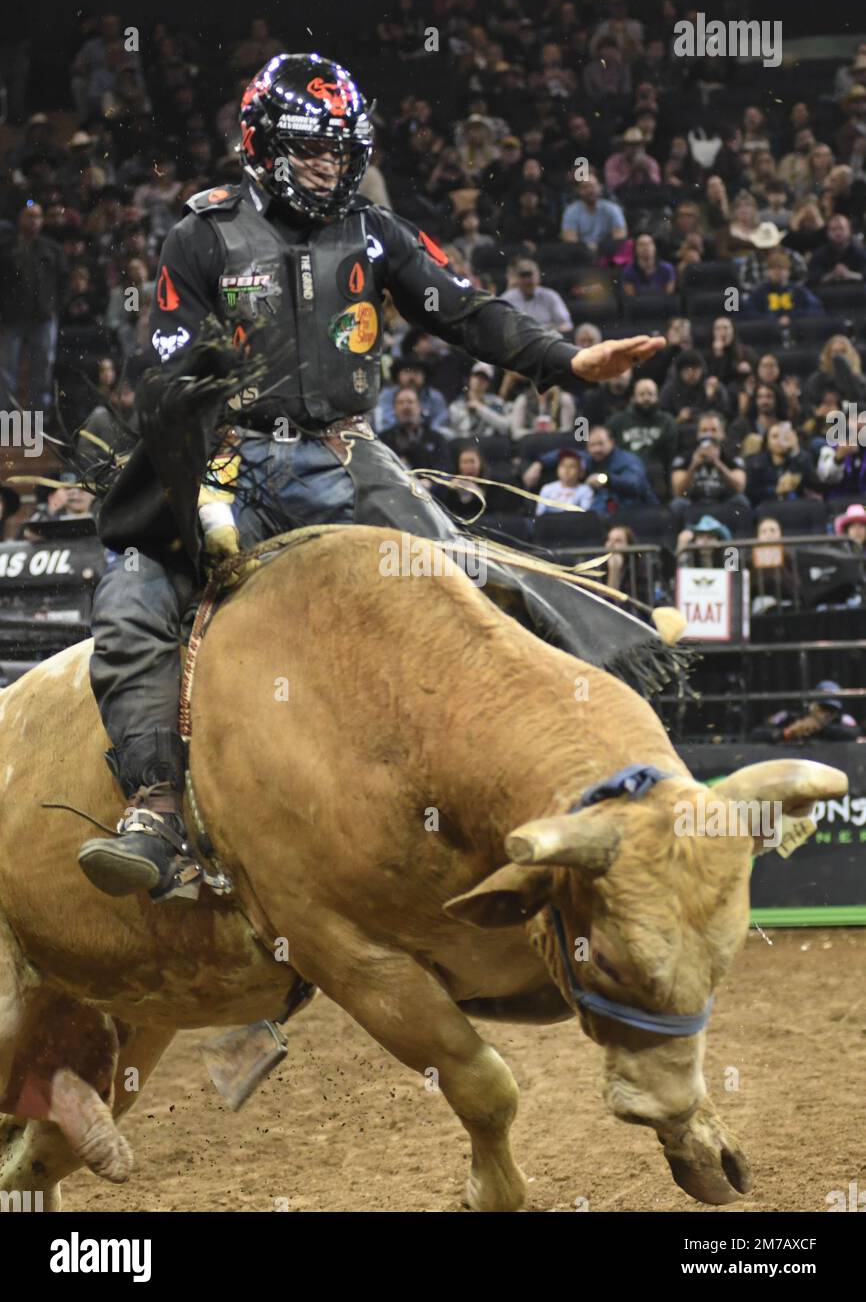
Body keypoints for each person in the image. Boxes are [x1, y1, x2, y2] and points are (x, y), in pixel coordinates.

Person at [77, 51, 664, 901]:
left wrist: (571, 361)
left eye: (343, 152)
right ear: (264, 147)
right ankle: (156, 810)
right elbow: (160, 372)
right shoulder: (199, 234)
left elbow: (465, 309)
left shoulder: (374, 231)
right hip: (224, 458)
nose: (333, 168)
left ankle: (594, 742)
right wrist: (190, 395)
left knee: (462, 579)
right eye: (314, 151)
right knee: (131, 598)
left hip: (343, 455)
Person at [0, 204, 67, 414]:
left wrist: (56, 307)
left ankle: (39, 416)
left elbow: (64, 281)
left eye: (38, 217)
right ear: (20, 219)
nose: (34, 221)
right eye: (29, 216)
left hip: (44, 316)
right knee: (6, 370)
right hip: (12, 316)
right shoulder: (6, 248)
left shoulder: (52, 248)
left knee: (43, 368)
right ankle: (6, 415)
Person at [607, 376, 677, 500]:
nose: (646, 398)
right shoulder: (617, 421)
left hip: (656, 473)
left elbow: (670, 454)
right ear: (633, 398)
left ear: (657, 397)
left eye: (650, 394)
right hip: (626, 470)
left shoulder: (667, 421)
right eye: (642, 394)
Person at [670, 412, 748, 515]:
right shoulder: (685, 458)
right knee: (678, 504)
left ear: (722, 434)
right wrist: (694, 465)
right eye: (704, 430)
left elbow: (739, 488)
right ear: (698, 434)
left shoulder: (731, 457)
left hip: (723, 503)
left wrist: (717, 463)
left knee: (740, 501)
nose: (709, 434)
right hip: (693, 504)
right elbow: (679, 491)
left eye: (714, 430)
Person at [582, 425, 657, 514]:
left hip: (638, 511)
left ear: (611, 442)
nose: (596, 449)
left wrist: (606, 479)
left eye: (600, 443)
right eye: (592, 445)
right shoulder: (588, 461)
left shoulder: (627, 460)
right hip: (605, 513)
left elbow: (635, 484)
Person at [500, 259, 571, 333]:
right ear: (517, 278)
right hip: (518, 339)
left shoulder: (550, 296)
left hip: (547, 339)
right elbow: (500, 326)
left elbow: (566, 325)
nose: (527, 280)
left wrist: (552, 333)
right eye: (523, 276)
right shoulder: (507, 298)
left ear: (538, 276)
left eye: (530, 275)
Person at [447, 362, 510, 438]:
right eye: (477, 376)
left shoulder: (496, 402)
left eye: (484, 378)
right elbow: (452, 429)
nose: (479, 381)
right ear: (470, 378)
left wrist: (480, 408)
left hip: (487, 443)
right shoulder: (458, 403)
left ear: (489, 383)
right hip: (463, 442)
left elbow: (505, 427)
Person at [535, 448, 593, 515]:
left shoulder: (585, 490)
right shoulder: (547, 488)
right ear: (557, 469)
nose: (566, 469)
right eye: (563, 465)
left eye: (572, 466)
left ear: (581, 472)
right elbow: (539, 515)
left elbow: (585, 515)